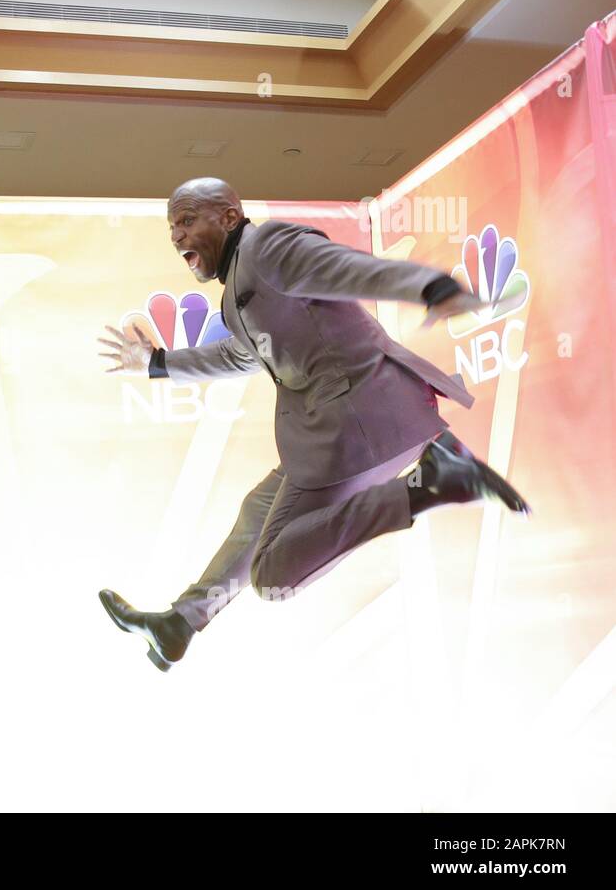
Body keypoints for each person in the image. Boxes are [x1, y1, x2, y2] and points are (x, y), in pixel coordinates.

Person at [97, 177, 529, 672]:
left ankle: (429, 485)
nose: (177, 236)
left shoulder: (269, 246)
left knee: (273, 573)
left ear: (229, 217)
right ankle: (180, 623)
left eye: (188, 221)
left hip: (361, 419)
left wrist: (429, 287)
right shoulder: (241, 280)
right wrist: (156, 363)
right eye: (173, 227)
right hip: (333, 431)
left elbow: (347, 270)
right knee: (257, 511)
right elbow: (241, 355)